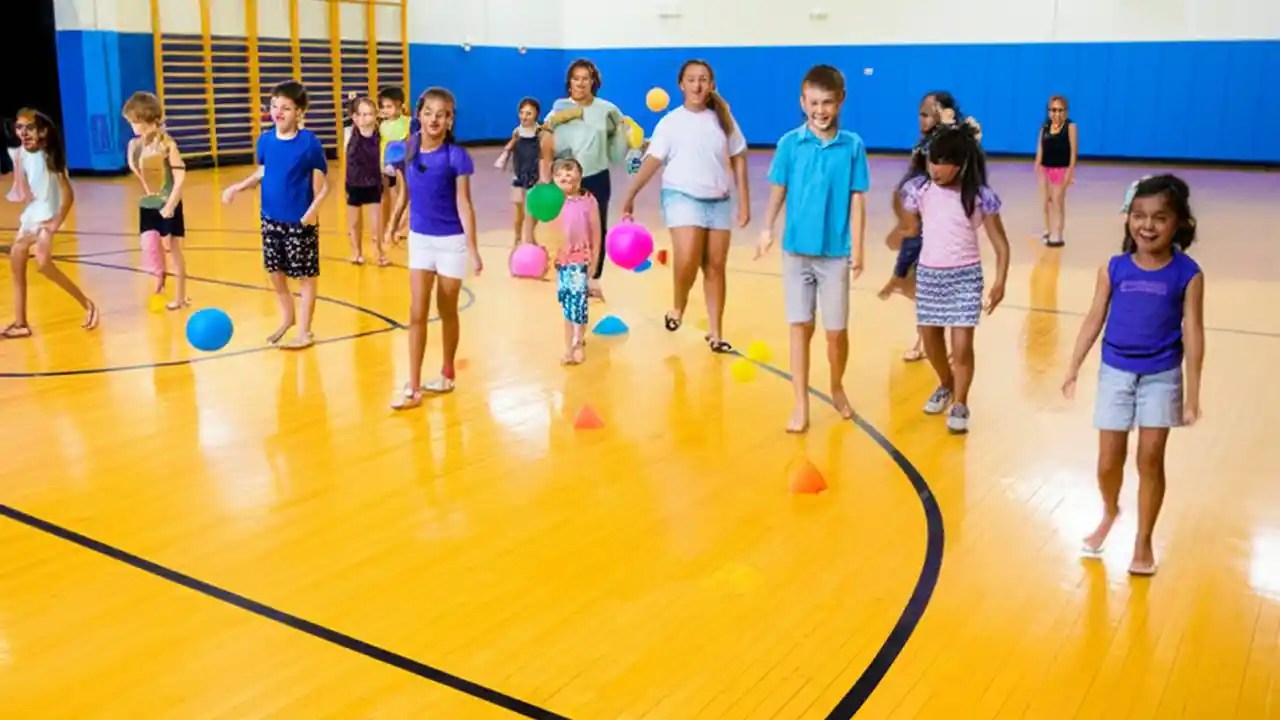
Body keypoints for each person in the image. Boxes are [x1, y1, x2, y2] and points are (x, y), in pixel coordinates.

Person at [1062, 175, 1203, 577]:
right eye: (1139, 216)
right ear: (1128, 220)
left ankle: (1143, 540)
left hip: (1162, 375)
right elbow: (1094, 318)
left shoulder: (1188, 274)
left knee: (1151, 457)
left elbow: (1194, 332)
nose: (1148, 225)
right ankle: (1110, 509)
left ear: (1180, 223)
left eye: (1160, 217)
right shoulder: (1114, 268)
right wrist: (1073, 365)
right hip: (1116, 373)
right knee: (1109, 460)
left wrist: (1193, 393)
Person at [756, 64, 869, 433]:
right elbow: (778, 189)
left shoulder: (852, 146)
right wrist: (766, 228)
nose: (820, 111)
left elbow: (857, 199)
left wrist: (860, 247)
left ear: (841, 101)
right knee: (799, 327)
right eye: (813, 103)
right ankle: (800, 402)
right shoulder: (790, 143)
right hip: (796, 253)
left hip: (835, 255)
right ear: (802, 102)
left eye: (828, 103)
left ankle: (836, 385)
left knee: (836, 332)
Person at [620, 59, 749, 353]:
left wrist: (744, 200)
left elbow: (739, 154)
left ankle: (716, 334)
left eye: (703, 79)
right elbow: (652, 160)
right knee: (688, 254)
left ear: (711, 84)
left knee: (715, 267)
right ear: (681, 84)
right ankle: (678, 306)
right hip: (681, 195)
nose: (697, 85)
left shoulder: (724, 118)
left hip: (719, 199)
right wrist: (631, 194)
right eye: (691, 79)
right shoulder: (671, 122)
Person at [894, 123, 1011, 434]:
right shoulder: (920, 192)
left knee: (961, 346)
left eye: (943, 162)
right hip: (930, 275)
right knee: (930, 339)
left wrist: (1001, 281)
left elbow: (1001, 244)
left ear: (959, 164)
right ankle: (945, 383)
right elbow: (911, 229)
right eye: (932, 160)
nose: (935, 168)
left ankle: (960, 402)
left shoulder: (978, 197)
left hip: (965, 276)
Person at [384, 87, 481, 409]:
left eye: (442, 114)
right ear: (419, 116)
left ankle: (447, 371)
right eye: (428, 113)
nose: (434, 119)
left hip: (451, 242)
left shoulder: (457, 157)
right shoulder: (408, 149)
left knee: (447, 309)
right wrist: (392, 225)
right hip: (420, 240)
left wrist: (473, 248)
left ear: (450, 120)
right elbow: (404, 194)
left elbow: (464, 204)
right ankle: (413, 386)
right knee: (416, 311)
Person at [222, 80, 329, 350]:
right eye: (274, 106)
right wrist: (238, 186)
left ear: (299, 112)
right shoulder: (266, 140)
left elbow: (327, 182)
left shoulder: (309, 143)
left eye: (286, 108)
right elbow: (264, 171)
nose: (278, 112)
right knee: (274, 272)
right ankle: (289, 317)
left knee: (306, 277)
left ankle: (305, 331)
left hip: (299, 221)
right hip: (270, 217)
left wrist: (312, 210)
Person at [3, 108, 98, 338]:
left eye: (29, 127)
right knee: (18, 262)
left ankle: (88, 305)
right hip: (33, 214)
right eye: (19, 127)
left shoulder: (49, 156)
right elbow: (26, 187)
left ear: (43, 132)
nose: (23, 132)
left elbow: (68, 194)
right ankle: (20, 323)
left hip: (47, 216)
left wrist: (57, 221)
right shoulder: (21, 154)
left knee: (44, 264)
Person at [541, 58, 629, 283]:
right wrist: (546, 177)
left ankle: (593, 277)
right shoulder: (559, 110)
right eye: (575, 79)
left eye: (585, 79)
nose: (580, 84)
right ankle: (569, 274)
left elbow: (619, 147)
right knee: (569, 228)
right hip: (567, 181)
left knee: (597, 228)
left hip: (597, 176)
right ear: (569, 83)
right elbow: (547, 145)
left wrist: (627, 138)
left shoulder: (608, 109)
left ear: (593, 82)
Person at [123, 91, 189, 307]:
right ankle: (159, 274)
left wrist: (170, 205)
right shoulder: (134, 145)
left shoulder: (168, 144)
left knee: (172, 246)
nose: (132, 125)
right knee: (148, 243)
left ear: (146, 119)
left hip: (167, 202)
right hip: (148, 203)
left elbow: (179, 177)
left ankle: (180, 296)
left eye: (135, 121)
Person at [547, 158, 601, 364]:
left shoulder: (588, 201)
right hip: (563, 261)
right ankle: (571, 343)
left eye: (569, 173)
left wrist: (594, 261)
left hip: (581, 259)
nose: (565, 177)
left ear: (579, 177)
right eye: (559, 175)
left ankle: (576, 344)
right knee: (567, 303)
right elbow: (548, 230)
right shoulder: (554, 203)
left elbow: (596, 233)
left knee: (577, 305)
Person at [495, 97, 550, 257]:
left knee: (532, 210)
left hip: (535, 175)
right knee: (518, 209)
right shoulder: (517, 132)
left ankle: (530, 238)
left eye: (529, 113)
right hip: (519, 174)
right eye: (522, 113)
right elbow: (511, 145)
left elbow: (543, 155)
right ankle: (518, 237)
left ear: (536, 115)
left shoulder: (541, 133)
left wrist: (544, 175)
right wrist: (503, 158)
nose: (524, 116)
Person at [344, 96, 387, 266]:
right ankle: (357, 252)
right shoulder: (349, 133)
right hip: (354, 182)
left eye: (368, 114)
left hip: (374, 182)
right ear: (354, 117)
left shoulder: (380, 135)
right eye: (360, 114)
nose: (363, 118)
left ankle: (380, 252)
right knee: (354, 222)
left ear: (376, 115)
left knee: (376, 221)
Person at [1035, 95, 1077, 247]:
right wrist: (1037, 166)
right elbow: (1040, 147)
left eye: (1060, 110)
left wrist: (1070, 172)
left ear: (1065, 112)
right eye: (1053, 110)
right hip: (1045, 168)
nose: (1056, 113)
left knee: (1058, 201)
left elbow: (1073, 151)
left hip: (1061, 169)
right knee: (1046, 201)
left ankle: (1058, 234)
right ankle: (1047, 229)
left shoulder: (1070, 127)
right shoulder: (1045, 127)